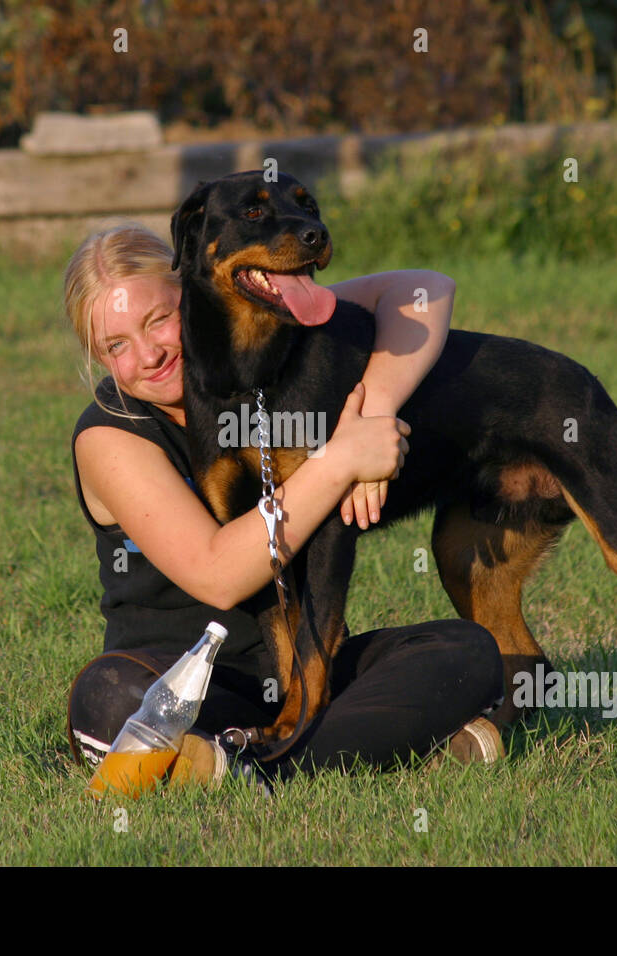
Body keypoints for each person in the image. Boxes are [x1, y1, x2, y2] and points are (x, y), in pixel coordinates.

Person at [62, 220, 505, 788]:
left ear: (199, 297)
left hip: (300, 674)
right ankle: (339, 753)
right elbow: (219, 573)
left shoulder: (257, 340)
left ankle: (239, 765)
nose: (147, 355)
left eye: (159, 321)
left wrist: (374, 409)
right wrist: (341, 461)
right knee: (107, 696)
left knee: (465, 650)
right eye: (115, 346)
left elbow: (424, 288)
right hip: (172, 690)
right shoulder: (110, 435)